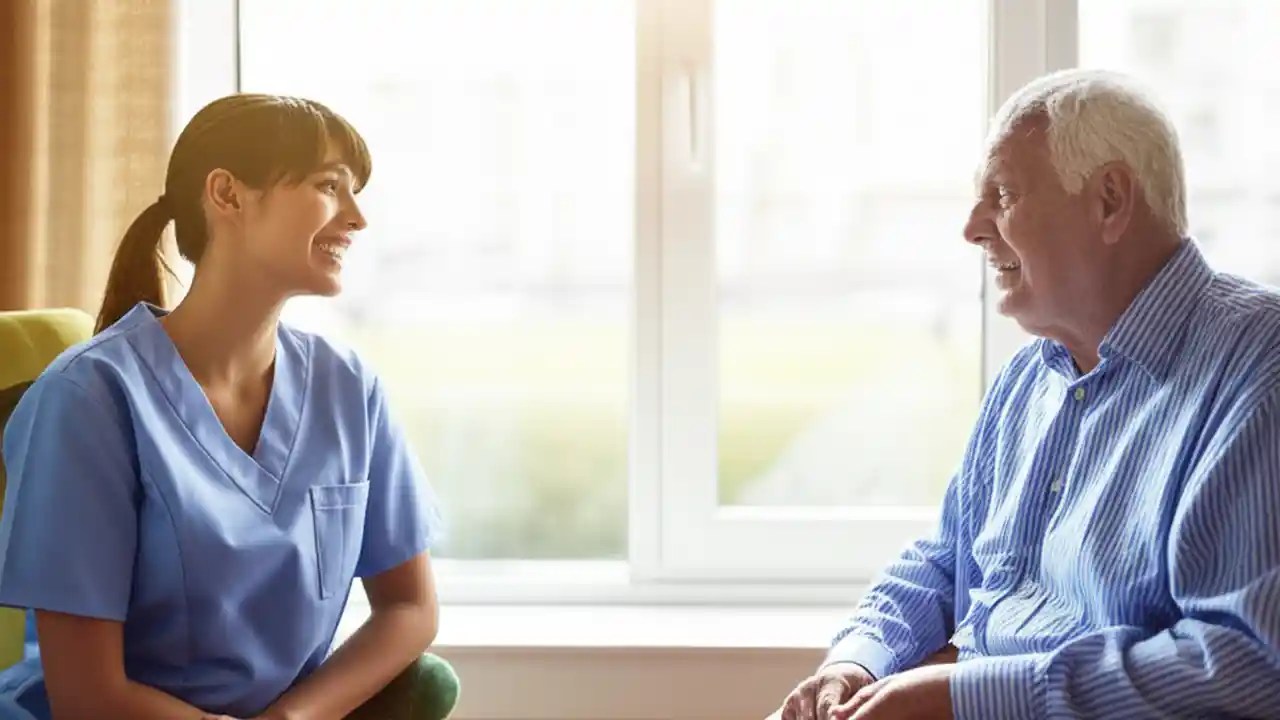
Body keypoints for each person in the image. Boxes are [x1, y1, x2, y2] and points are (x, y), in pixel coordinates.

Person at [775, 68, 1280, 720]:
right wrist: (857, 661)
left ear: (1109, 201)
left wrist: (962, 699)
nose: (971, 228)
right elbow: (946, 561)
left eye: (1004, 196)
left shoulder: (1258, 370)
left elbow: (1246, 666)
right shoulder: (1027, 379)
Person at [0, 94, 456, 719]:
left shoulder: (350, 389)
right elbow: (88, 696)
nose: (357, 218)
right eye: (330, 186)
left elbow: (410, 608)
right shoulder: (88, 399)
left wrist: (293, 717)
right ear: (228, 195)